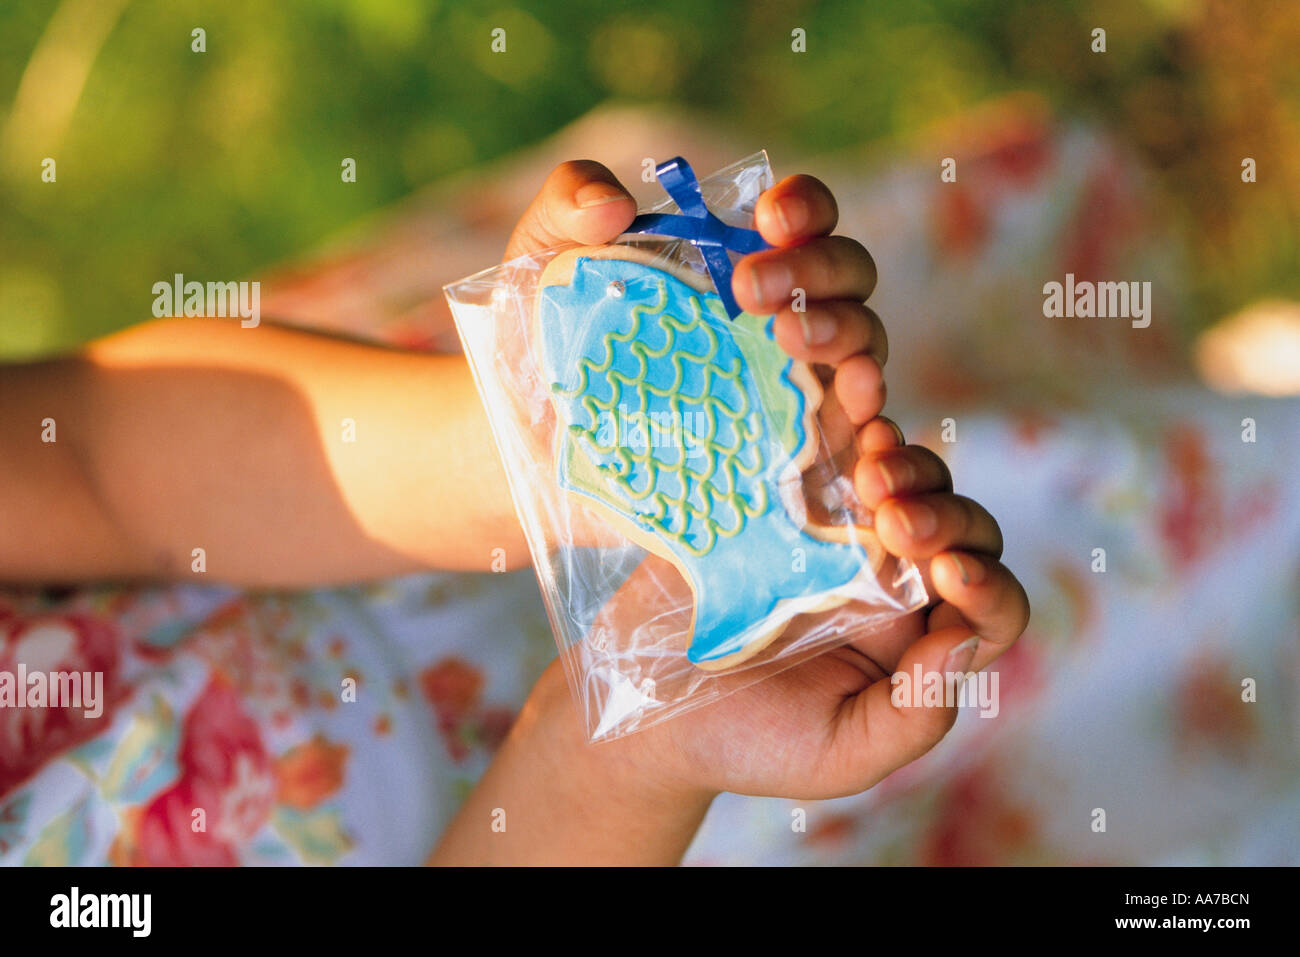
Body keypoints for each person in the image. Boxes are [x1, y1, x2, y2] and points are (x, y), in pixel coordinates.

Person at [0, 161, 1028, 865]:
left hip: (362, 517)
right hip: (604, 822)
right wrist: (631, 762)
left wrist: (524, 453)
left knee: (973, 393)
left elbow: (89, 457)